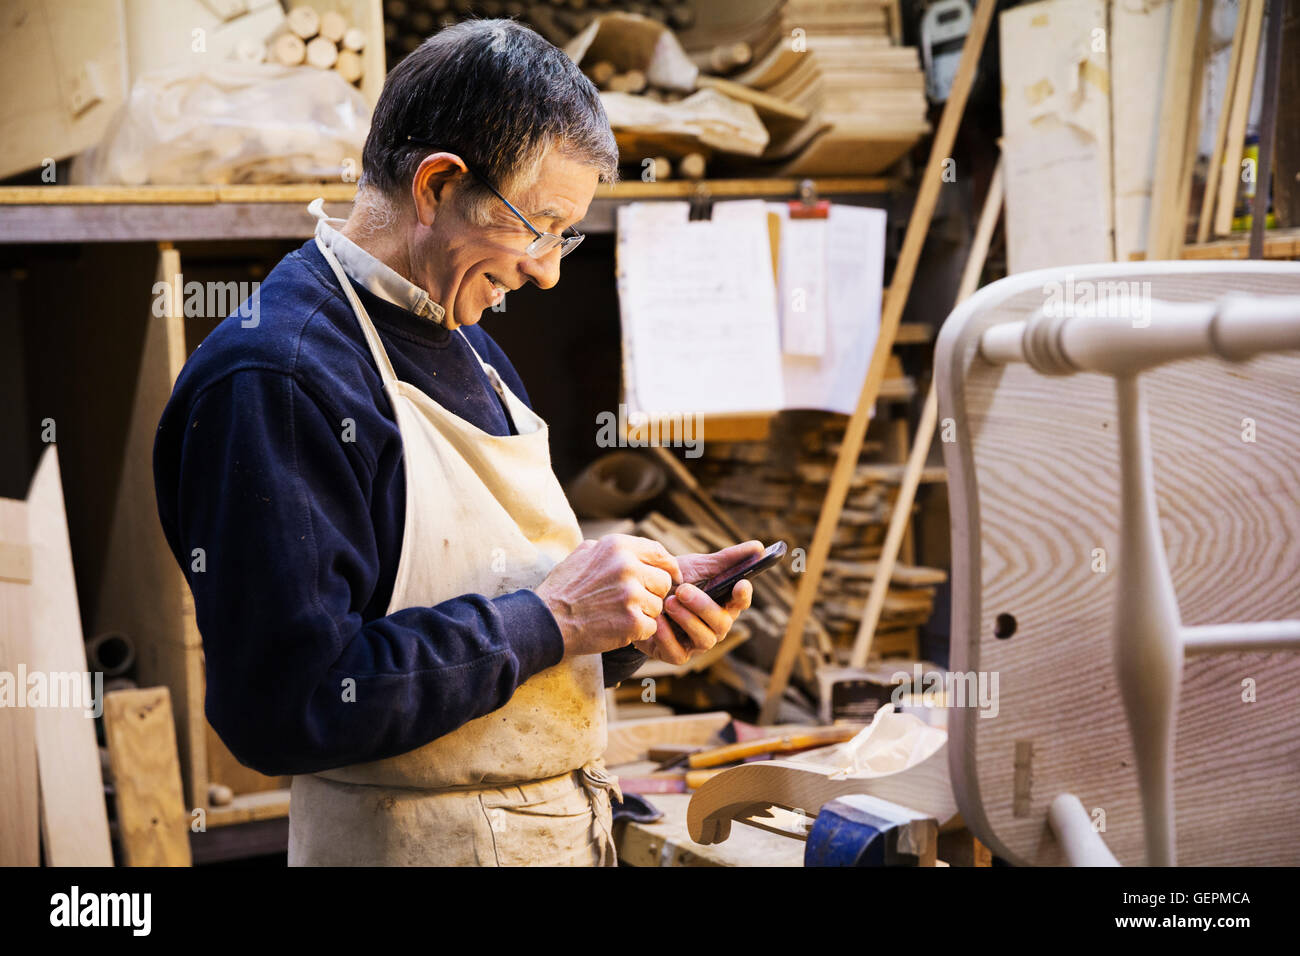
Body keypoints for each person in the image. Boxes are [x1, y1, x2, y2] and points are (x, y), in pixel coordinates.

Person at [153, 18, 760, 866]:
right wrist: (556, 614)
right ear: (437, 185)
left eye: (566, 235)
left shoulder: (468, 339)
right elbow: (286, 705)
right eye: (539, 225)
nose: (548, 270)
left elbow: (493, 624)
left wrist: (616, 632)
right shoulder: (279, 379)